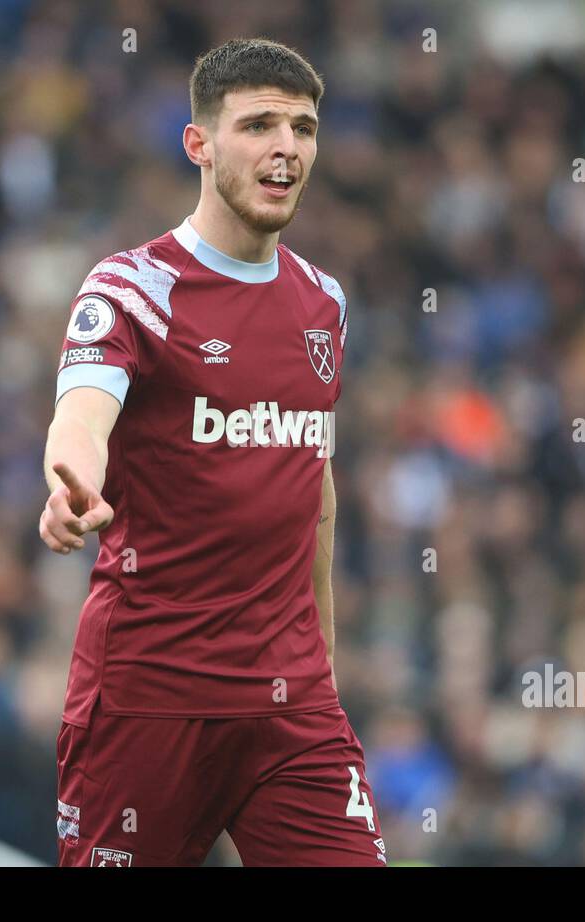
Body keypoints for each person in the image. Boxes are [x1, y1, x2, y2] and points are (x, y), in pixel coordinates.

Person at [40, 37, 385, 866]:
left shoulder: (324, 304)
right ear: (199, 144)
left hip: (289, 708)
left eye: (302, 128)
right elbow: (81, 415)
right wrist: (72, 484)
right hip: (150, 698)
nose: (286, 148)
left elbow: (315, 489)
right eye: (258, 124)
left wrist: (322, 670)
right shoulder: (131, 288)